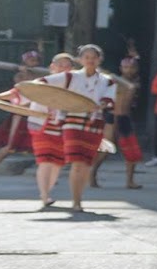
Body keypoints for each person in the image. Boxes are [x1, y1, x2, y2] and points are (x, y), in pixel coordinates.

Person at [47, 44, 117, 215]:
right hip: (73, 122)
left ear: (99, 59)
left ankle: (78, 198)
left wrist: (100, 105)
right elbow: (43, 84)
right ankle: (76, 202)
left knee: (86, 163)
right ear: (80, 60)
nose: (90, 60)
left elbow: (108, 100)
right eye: (86, 57)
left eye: (94, 57)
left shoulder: (107, 80)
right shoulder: (70, 77)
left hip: (94, 123)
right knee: (78, 163)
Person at [29, 53, 75, 208]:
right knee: (45, 161)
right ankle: (45, 195)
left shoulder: (75, 85)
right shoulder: (41, 83)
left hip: (63, 129)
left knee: (57, 164)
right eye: (60, 64)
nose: (63, 68)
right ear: (52, 67)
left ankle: (47, 193)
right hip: (42, 127)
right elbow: (22, 93)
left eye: (67, 65)